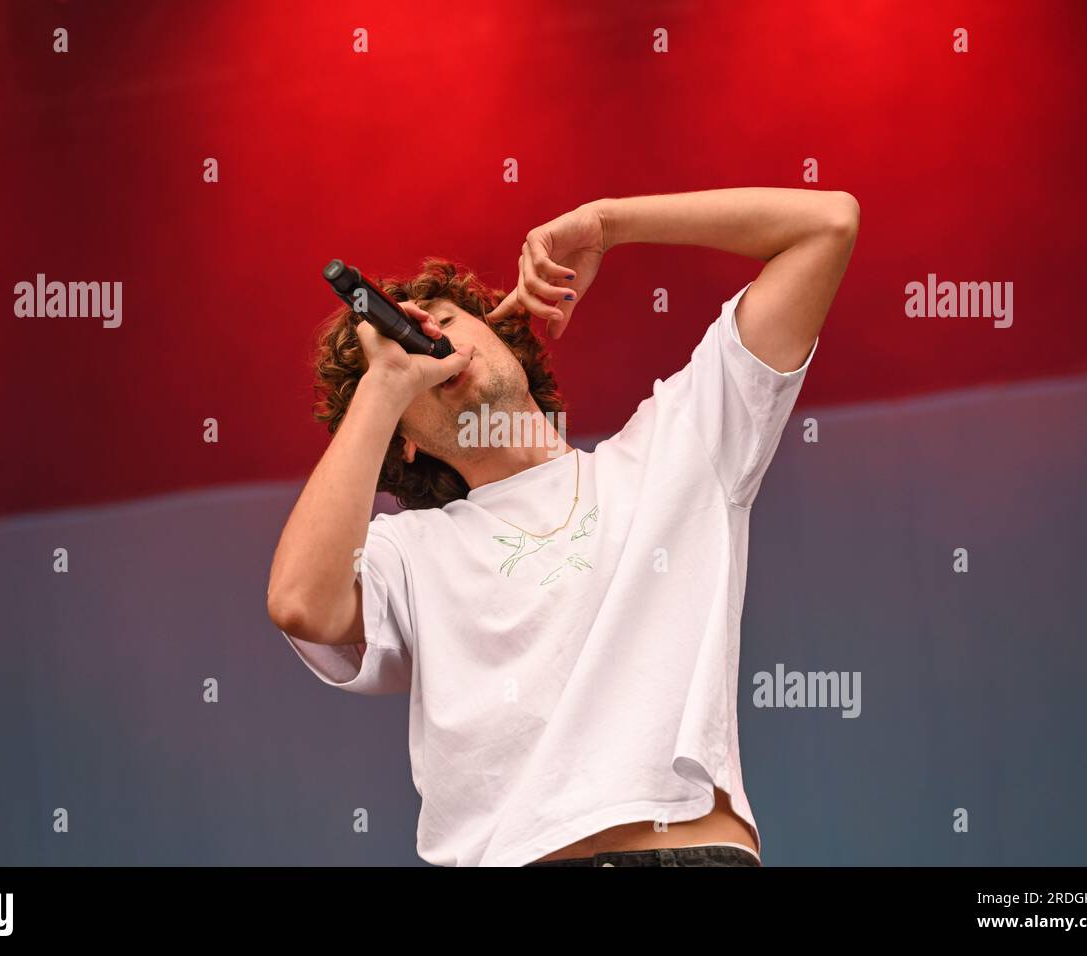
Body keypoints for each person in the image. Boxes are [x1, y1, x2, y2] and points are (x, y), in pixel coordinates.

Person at [267, 187, 859, 867]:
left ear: (502, 331)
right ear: (400, 439)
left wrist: (611, 222)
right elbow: (300, 603)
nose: (429, 340)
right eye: (404, 344)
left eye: (445, 318)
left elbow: (827, 225)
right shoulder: (410, 553)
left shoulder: (678, 446)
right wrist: (382, 382)